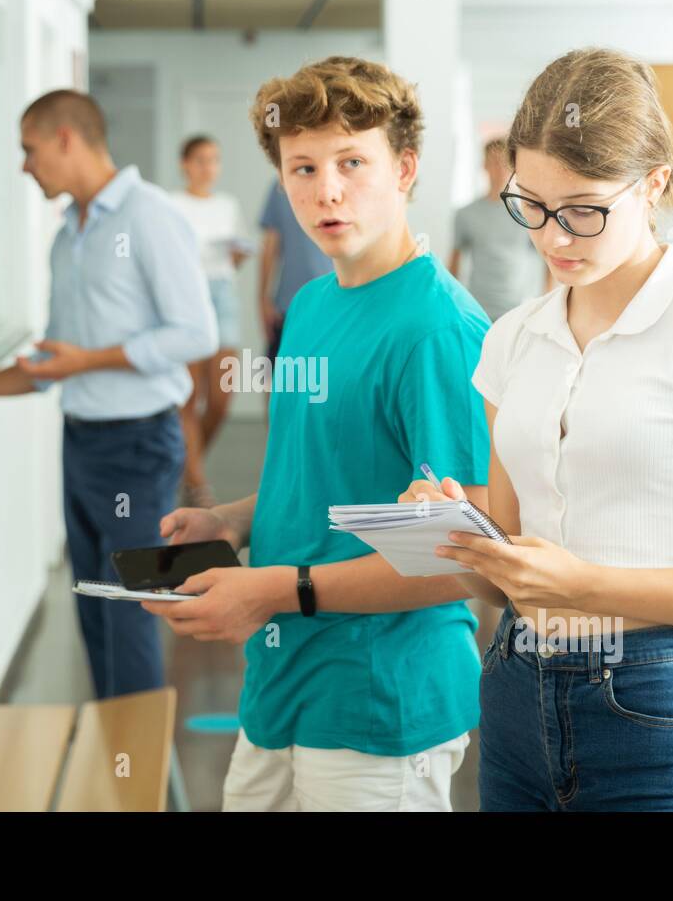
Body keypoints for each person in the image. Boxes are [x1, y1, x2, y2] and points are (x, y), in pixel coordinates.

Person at [402, 47, 673, 811]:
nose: (555, 237)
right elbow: (502, 576)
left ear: (653, 183)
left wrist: (586, 584)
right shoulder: (511, 340)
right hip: (514, 692)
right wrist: (454, 530)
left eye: (585, 209)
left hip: (650, 706)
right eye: (531, 204)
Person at [143, 56, 491, 811]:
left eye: (352, 162)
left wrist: (276, 589)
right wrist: (232, 522)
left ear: (405, 169)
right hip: (280, 679)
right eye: (301, 167)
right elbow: (325, 474)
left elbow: (464, 559)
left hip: (378, 694)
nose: (325, 190)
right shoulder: (309, 305)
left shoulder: (438, 328)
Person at [0, 90, 216, 699]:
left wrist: (91, 360)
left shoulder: (147, 217)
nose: (25, 167)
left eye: (29, 150)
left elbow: (196, 333)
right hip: (81, 443)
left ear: (65, 139)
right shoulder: (68, 237)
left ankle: (139, 784)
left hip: (138, 446)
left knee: (131, 615)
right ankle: (112, 764)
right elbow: (54, 366)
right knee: (95, 610)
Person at [170, 135, 250, 508]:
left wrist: (235, 254)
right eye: (201, 160)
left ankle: (184, 464)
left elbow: (236, 258)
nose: (208, 168)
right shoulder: (171, 204)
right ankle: (198, 486)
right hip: (186, 295)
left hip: (221, 294)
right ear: (185, 164)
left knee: (220, 399)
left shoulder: (227, 205)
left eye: (214, 160)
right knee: (189, 398)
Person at [450, 137, 548, 320]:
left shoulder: (529, 215)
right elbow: (454, 264)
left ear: (513, 168)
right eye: (494, 162)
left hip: (517, 311)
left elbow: (549, 260)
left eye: (504, 163)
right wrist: (451, 302)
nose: (499, 169)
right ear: (484, 166)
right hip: (476, 309)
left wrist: (546, 302)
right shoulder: (466, 214)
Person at [256, 179, 333, 367]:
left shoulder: (337, 185)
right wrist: (264, 299)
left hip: (332, 305)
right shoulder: (281, 186)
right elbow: (270, 247)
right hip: (287, 306)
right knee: (278, 381)